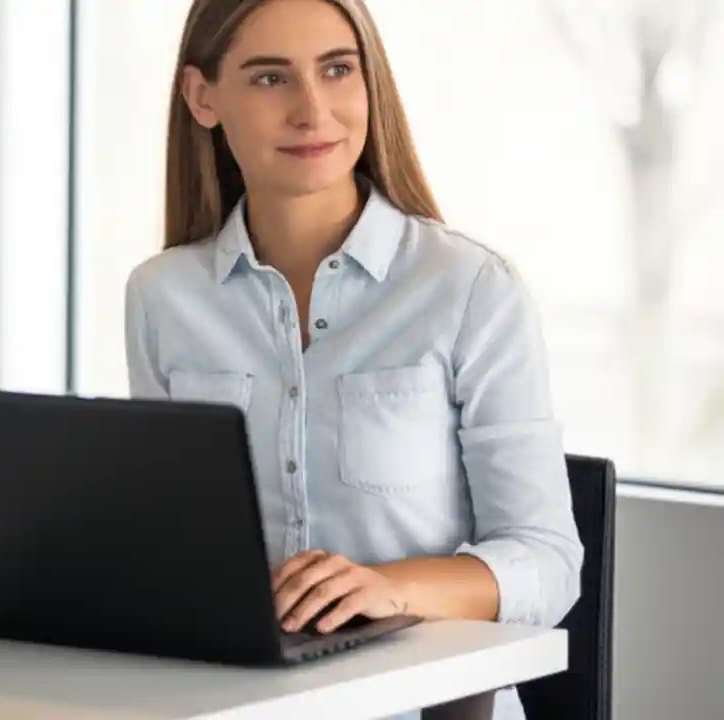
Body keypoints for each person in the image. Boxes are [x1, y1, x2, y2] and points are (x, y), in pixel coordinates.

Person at [124, 1, 583, 716]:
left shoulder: (469, 288)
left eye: (337, 70)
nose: (313, 111)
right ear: (203, 98)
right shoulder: (162, 296)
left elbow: (548, 562)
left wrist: (393, 587)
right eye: (270, 79)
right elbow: (168, 543)